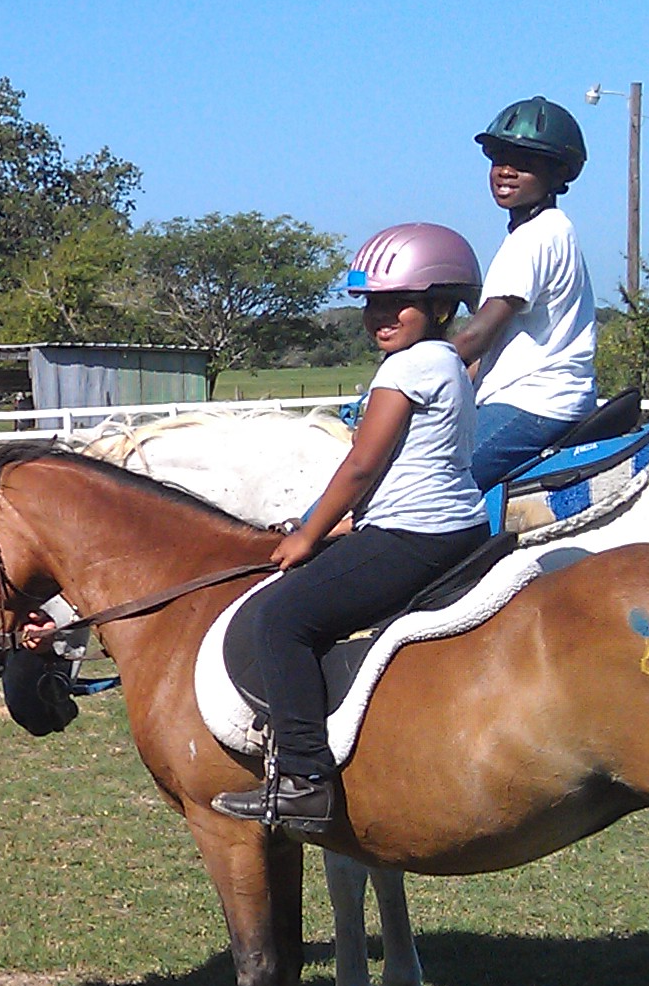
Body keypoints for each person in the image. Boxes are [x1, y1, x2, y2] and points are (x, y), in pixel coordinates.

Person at [214, 223, 493, 838]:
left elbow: (363, 463)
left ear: (442, 306)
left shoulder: (405, 369)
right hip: (456, 526)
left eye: (400, 303)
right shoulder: (448, 361)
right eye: (372, 304)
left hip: (415, 535)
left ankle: (305, 782)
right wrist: (343, 523)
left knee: (280, 620)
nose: (381, 317)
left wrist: (306, 536)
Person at [453, 97, 601, 488]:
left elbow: (476, 336)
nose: (505, 171)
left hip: (531, 403)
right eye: (499, 158)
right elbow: (487, 350)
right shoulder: (551, 230)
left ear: (559, 174)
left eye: (525, 162)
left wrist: (404, 380)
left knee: (424, 487)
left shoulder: (534, 238)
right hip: (544, 398)